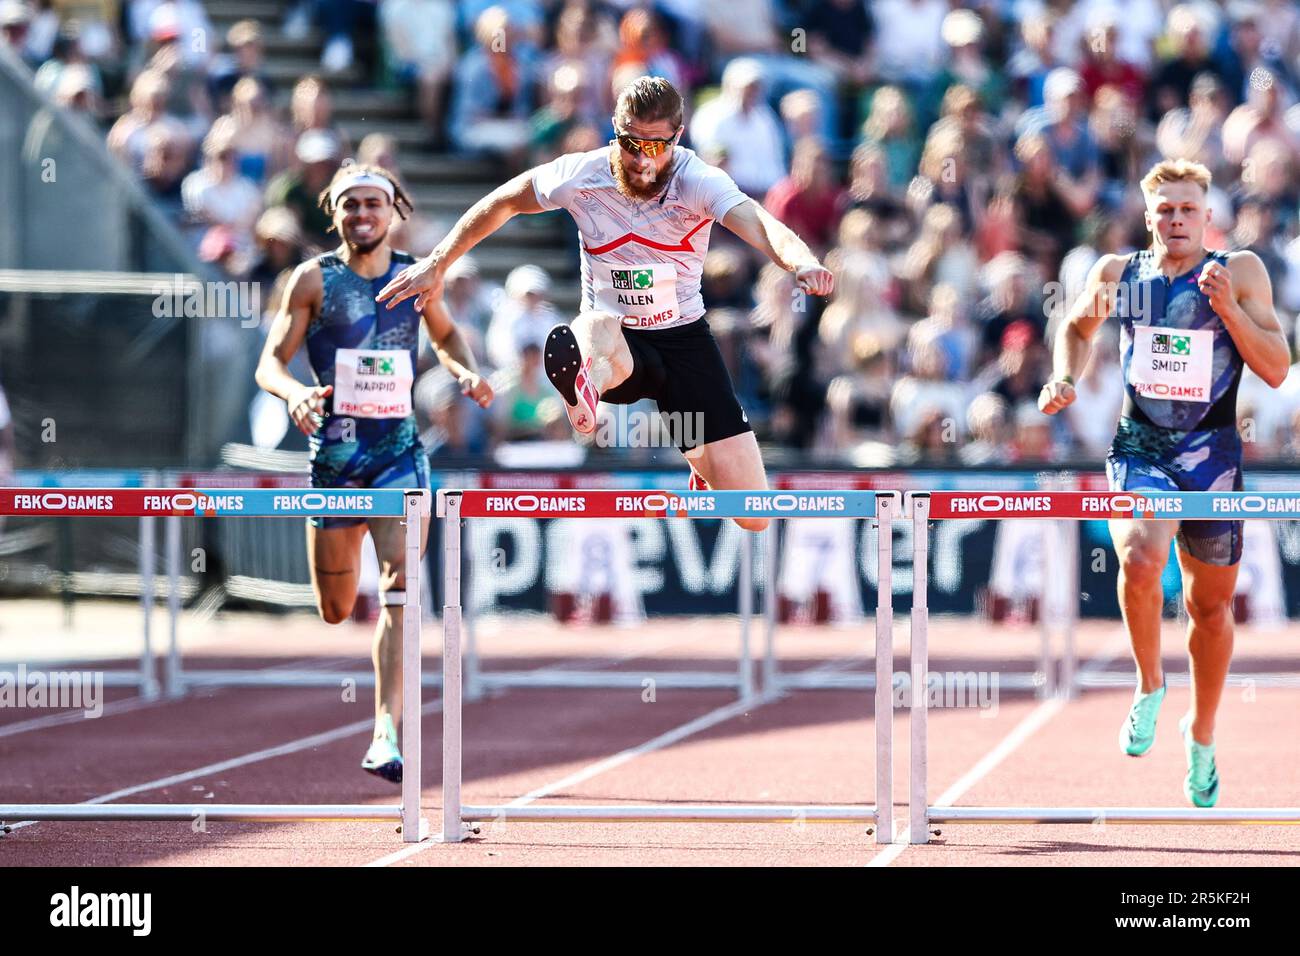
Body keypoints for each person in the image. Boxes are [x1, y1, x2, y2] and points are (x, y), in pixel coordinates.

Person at [378, 75, 833, 532]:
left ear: (676, 137)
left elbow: (757, 222)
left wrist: (800, 261)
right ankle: (585, 393)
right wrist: (438, 262)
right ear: (614, 128)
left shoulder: (697, 180)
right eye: (628, 142)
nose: (638, 159)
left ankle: (693, 448)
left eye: (654, 147)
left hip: (683, 341)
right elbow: (504, 202)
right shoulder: (583, 172)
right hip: (615, 341)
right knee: (595, 327)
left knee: (753, 514)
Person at [1040, 159, 1289, 808]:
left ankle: (1201, 733)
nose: (1176, 220)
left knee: (1210, 610)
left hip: (1213, 457)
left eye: (1188, 209)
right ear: (1149, 217)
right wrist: (1064, 376)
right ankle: (1150, 684)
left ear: (1209, 216)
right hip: (1140, 448)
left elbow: (1276, 368)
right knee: (1144, 554)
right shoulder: (1121, 276)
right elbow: (1074, 327)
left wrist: (1228, 310)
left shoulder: (1240, 271)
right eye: (1165, 210)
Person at [255, 163, 493, 782]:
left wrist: (463, 373)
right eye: (352, 205)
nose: (364, 215)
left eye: (375, 205)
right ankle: (383, 717)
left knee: (400, 588)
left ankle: (387, 729)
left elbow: (447, 339)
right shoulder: (312, 281)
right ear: (334, 212)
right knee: (335, 609)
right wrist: (293, 394)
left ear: (394, 211)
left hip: (398, 455)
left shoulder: (416, 278)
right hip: (336, 458)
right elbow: (271, 363)